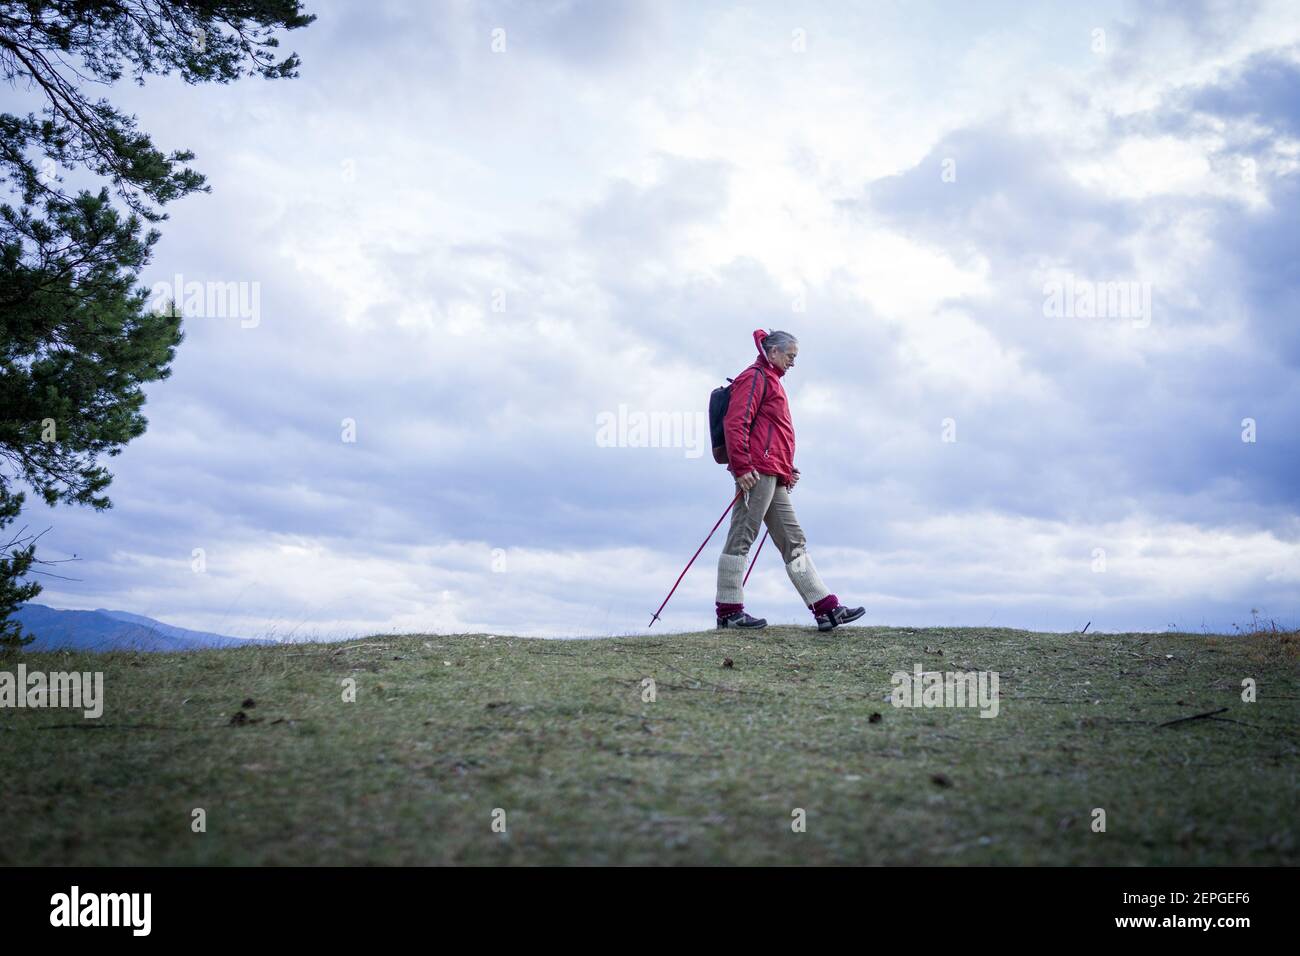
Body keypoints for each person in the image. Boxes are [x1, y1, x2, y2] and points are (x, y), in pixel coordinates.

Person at [715, 329, 866, 633]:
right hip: (756, 471)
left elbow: (770, 432)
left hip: (773, 471)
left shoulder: (770, 380)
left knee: (793, 540)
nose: (793, 363)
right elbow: (736, 422)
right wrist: (742, 467)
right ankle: (729, 611)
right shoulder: (755, 377)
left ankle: (826, 609)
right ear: (772, 352)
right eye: (790, 356)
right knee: (742, 535)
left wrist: (787, 469)